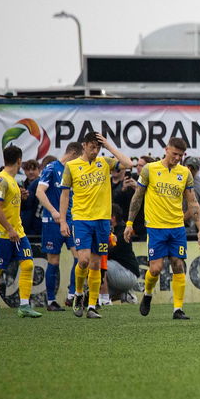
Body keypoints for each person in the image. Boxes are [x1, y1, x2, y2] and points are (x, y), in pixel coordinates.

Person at [126, 137, 200, 320]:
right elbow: (137, 197)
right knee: (155, 269)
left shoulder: (185, 173)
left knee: (178, 264)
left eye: (181, 155)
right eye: (175, 153)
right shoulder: (150, 170)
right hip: (155, 227)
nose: (177, 158)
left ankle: (178, 309)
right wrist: (129, 223)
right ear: (166, 149)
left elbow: (193, 202)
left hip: (177, 227)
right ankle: (147, 293)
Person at [59, 132, 133, 319]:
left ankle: (92, 305)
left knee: (95, 264)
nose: (95, 150)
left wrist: (108, 146)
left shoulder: (104, 163)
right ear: (83, 145)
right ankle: (77, 294)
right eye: (92, 146)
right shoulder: (72, 166)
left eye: (98, 147)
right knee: (82, 260)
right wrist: (62, 220)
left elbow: (128, 163)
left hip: (102, 220)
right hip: (82, 219)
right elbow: (65, 194)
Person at [0, 146, 41, 319]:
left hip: (18, 232)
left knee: (28, 264)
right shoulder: (1, 180)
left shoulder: (13, 181)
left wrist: (21, 197)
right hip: (0, 234)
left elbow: (10, 204)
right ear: (19, 161)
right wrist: (9, 229)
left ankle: (24, 306)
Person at [37, 143, 81, 311]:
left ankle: (71, 294)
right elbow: (39, 192)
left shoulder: (74, 170)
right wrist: (54, 211)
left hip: (71, 220)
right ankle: (51, 301)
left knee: (79, 256)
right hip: (52, 222)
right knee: (53, 260)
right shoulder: (51, 168)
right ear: (73, 154)